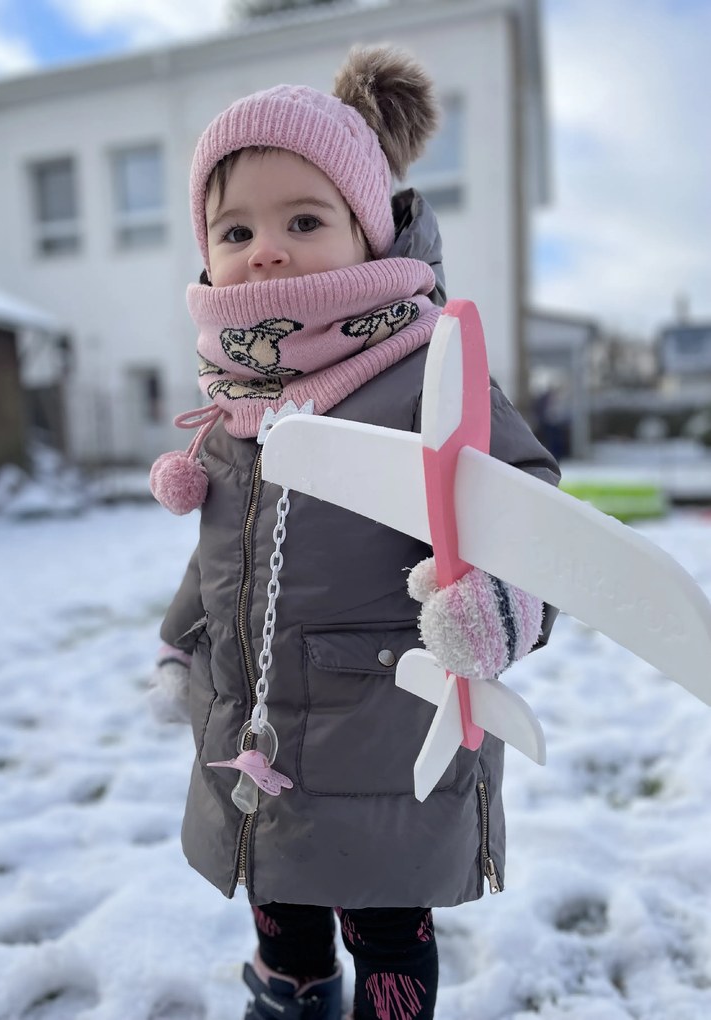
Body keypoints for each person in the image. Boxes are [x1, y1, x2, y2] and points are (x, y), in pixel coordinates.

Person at [149, 46, 560, 1020]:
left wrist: (500, 606)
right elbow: (217, 553)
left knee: (385, 921)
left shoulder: (425, 371)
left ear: (369, 233)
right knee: (279, 903)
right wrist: (181, 639)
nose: (268, 249)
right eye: (237, 227)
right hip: (254, 724)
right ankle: (291, 995)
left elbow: (530, 506)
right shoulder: (235, 394)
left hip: (384, 724)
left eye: (304, 220)